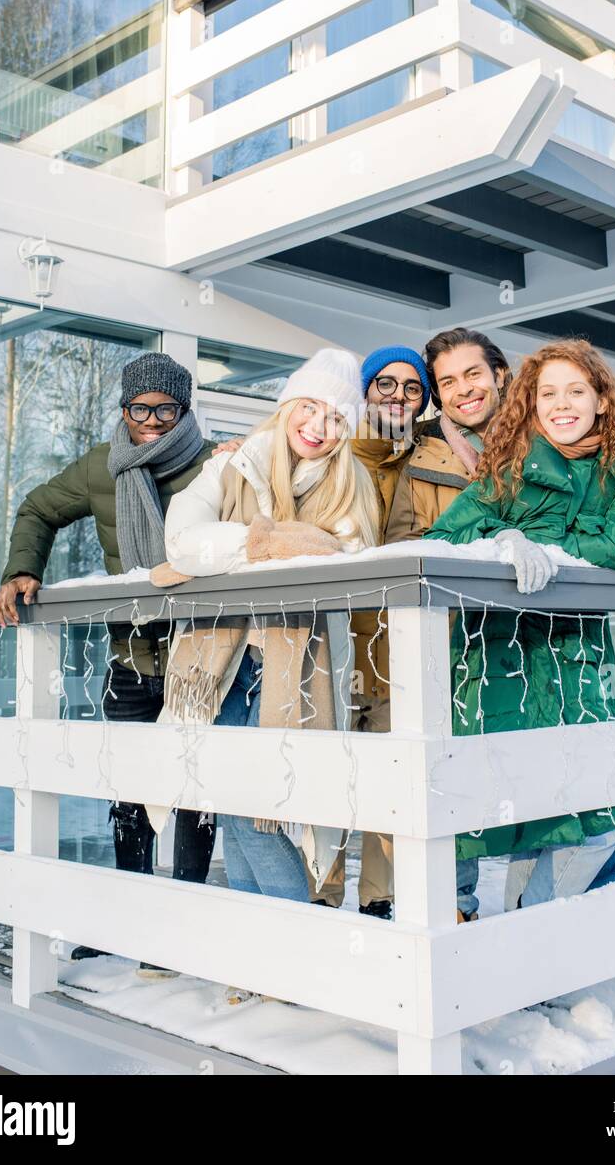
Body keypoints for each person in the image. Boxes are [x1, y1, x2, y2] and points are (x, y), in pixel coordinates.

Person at [426, 339, 615, 918]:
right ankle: (527, 941)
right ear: (531, 404)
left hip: (576, 655)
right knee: (523, 801)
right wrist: (500, 543)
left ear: (601, 400)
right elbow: (442, 538)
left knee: (597, 807)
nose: (561, 404)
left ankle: (535, 928)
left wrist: (541, 544)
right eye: (548, 394)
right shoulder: (510, 469)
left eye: (575, 391)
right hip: (501, 658)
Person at [0, 352, 218, 971]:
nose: (151, 420)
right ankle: (130, 921)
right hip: (132, 657)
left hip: (202, 661)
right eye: (139, 408)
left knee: (197, 789)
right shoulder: (102, 467)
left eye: (164, 408)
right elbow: (38, 508)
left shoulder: (214, 464)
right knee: (127, 790)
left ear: (184, 411)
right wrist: (22, 569)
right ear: (124, 410)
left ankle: (190, 919)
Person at [152, 348, 380, 912]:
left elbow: (340, 560)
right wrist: (276, 543)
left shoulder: (351, 488)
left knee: (264, 807)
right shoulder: (234, 464)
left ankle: (293, 946)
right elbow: (181, 540)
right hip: (219, 660)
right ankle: (264, 950)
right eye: (309, 408)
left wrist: (231, 547)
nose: (318, 427)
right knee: (229, 800)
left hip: (296, 667)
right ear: (286, 406)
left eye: (335, 419)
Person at [318, 346, 433, 918]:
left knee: (388, 782)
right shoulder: (334, 451)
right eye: (384, 384)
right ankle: (320, 894)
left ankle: (379, 901)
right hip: (336, 647)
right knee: (332, 778)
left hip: (398, 652)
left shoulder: (426, 460)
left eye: (412, 389)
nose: (397, 396)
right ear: (365, 391)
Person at [386, 328, 511, 543]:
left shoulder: (543, 441)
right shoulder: (418, 465)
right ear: (437, 393)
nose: (463, 390)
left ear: (498, 376)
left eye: (473, 374)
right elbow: (405, 556)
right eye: (448, 382)